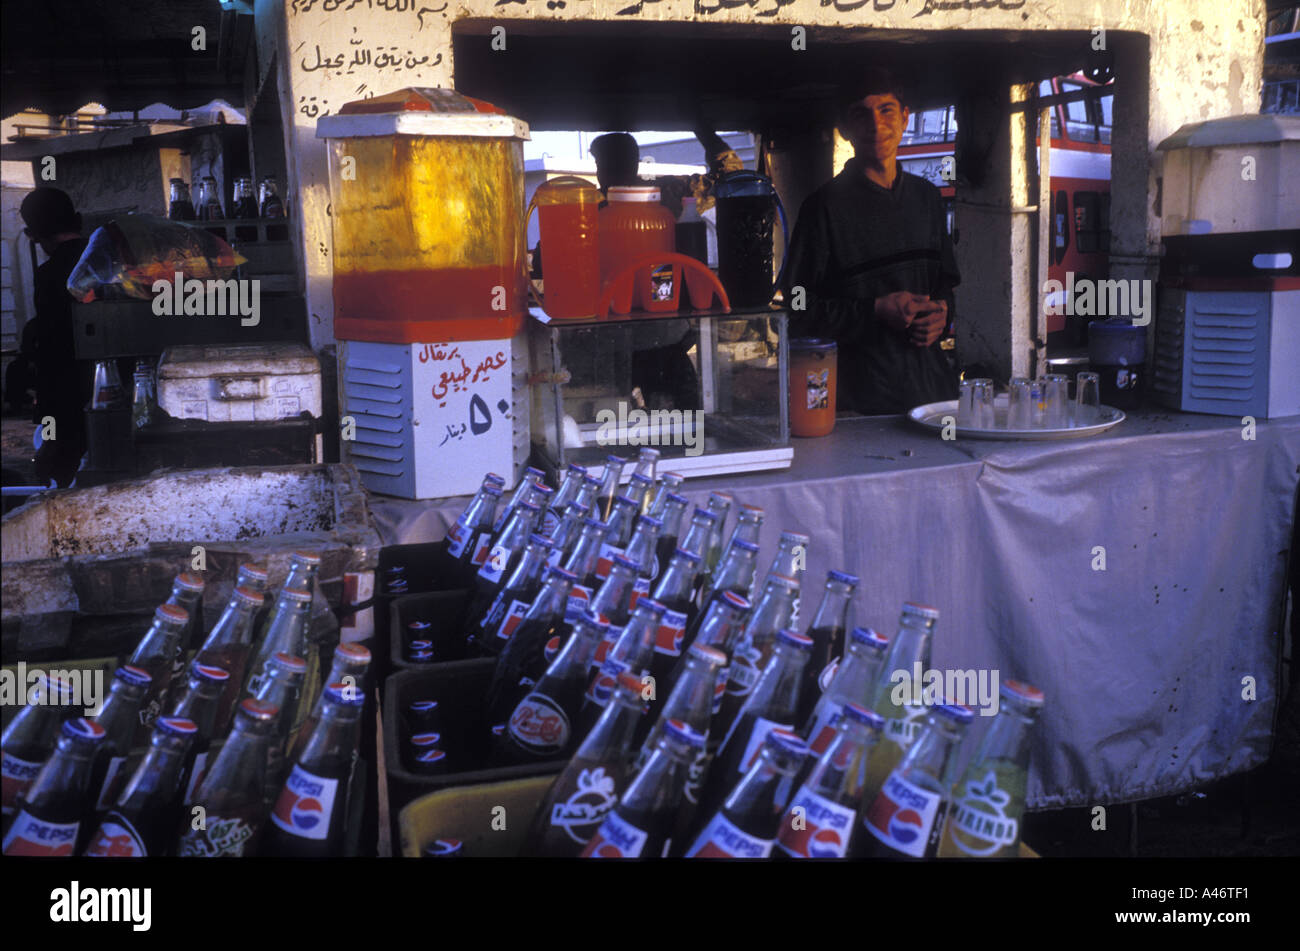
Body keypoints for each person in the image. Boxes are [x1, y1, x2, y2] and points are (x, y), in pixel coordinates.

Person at [783, 67, 960, 416]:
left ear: (905, 118)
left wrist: (942, 315)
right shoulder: (824, 208)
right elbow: (797, 310)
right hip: (858, 407)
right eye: (860, 115)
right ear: (845, 129)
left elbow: (944, 290)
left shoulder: (927, 199)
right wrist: (874, 311)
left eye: (886, 110)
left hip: (933, 398)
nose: (876, 126)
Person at [19, 187, 90, 486]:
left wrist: (50, 436)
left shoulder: (51, 274)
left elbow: (52, 358)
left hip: (73, 405)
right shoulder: (111, 261)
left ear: (33, 234)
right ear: (78, 220)